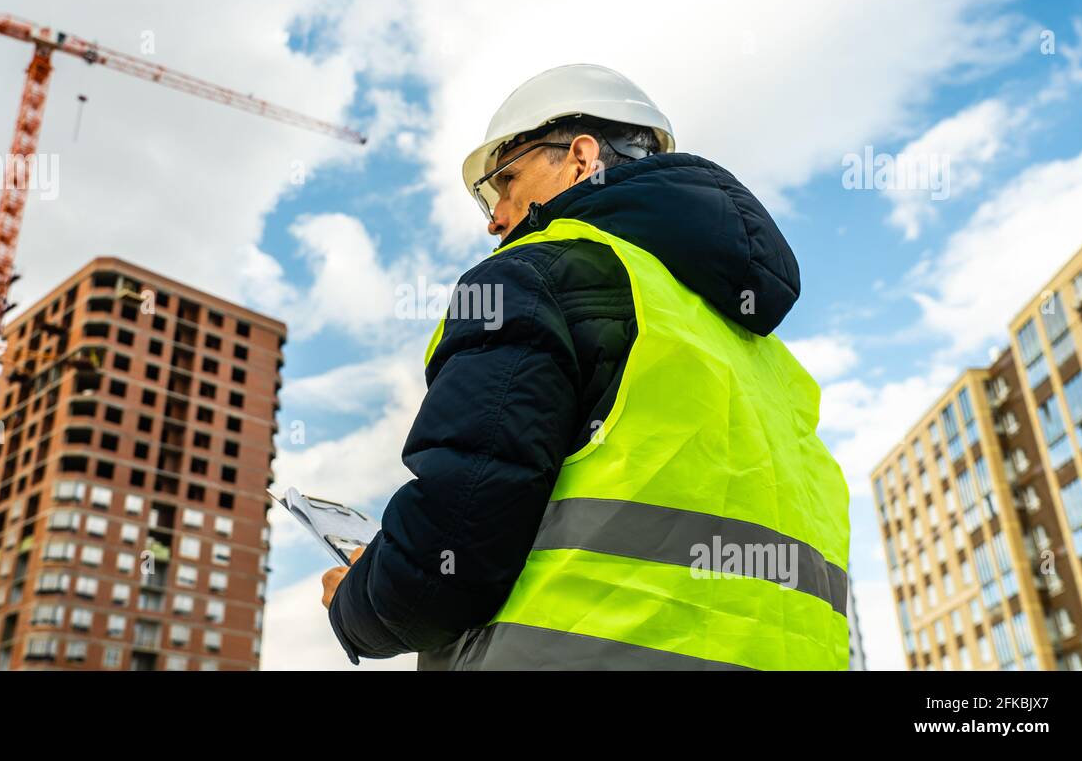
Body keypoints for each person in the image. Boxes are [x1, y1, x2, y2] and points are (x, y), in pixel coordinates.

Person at [321, 64, 850, 670]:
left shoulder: (534, 277)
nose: (495, 217)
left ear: (579, 157)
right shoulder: (765, 361)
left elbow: (452, 548)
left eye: (504, 181)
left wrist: (359, 602)